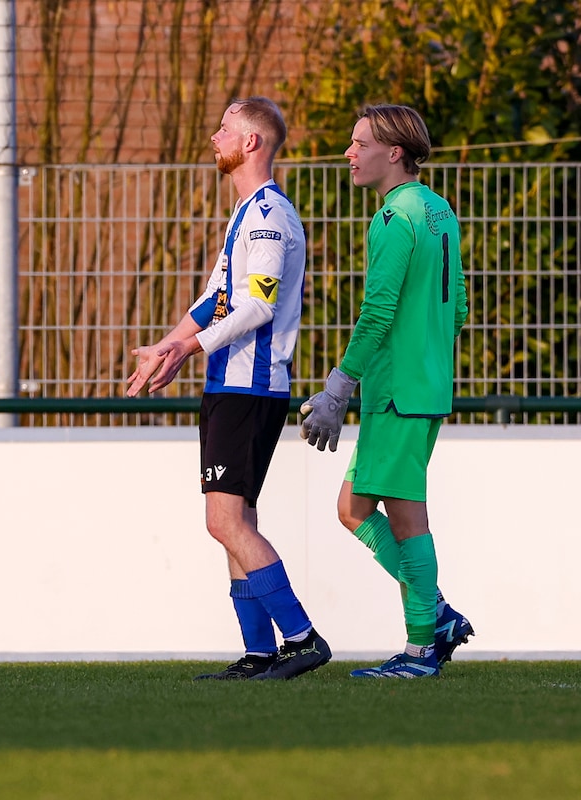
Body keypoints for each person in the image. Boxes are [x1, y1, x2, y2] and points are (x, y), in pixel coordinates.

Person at [126, 97, 330, 681]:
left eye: (225, 129)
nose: (214, 137)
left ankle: (302, 639)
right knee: (235, 522)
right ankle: (259, 653)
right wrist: (168, 346)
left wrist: (189, 348)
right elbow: (215, 298)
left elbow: (258, 305)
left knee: (225, 522)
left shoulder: (268, 215)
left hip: (249, 388)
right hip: (229, 385)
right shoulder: (244, 211)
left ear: (251, 143)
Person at [300, 104, 472, 678]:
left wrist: (337, 387)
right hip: (422, 386)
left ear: (393, 152)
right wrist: (425, 353)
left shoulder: (395, 217)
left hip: (398, 392)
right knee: (352, 508)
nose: (349, 153)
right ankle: (437, 615)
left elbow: (377, 312)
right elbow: (459, 306)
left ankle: (423, 648)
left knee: (407, 521)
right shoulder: (439, 210)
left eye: (360, 144)